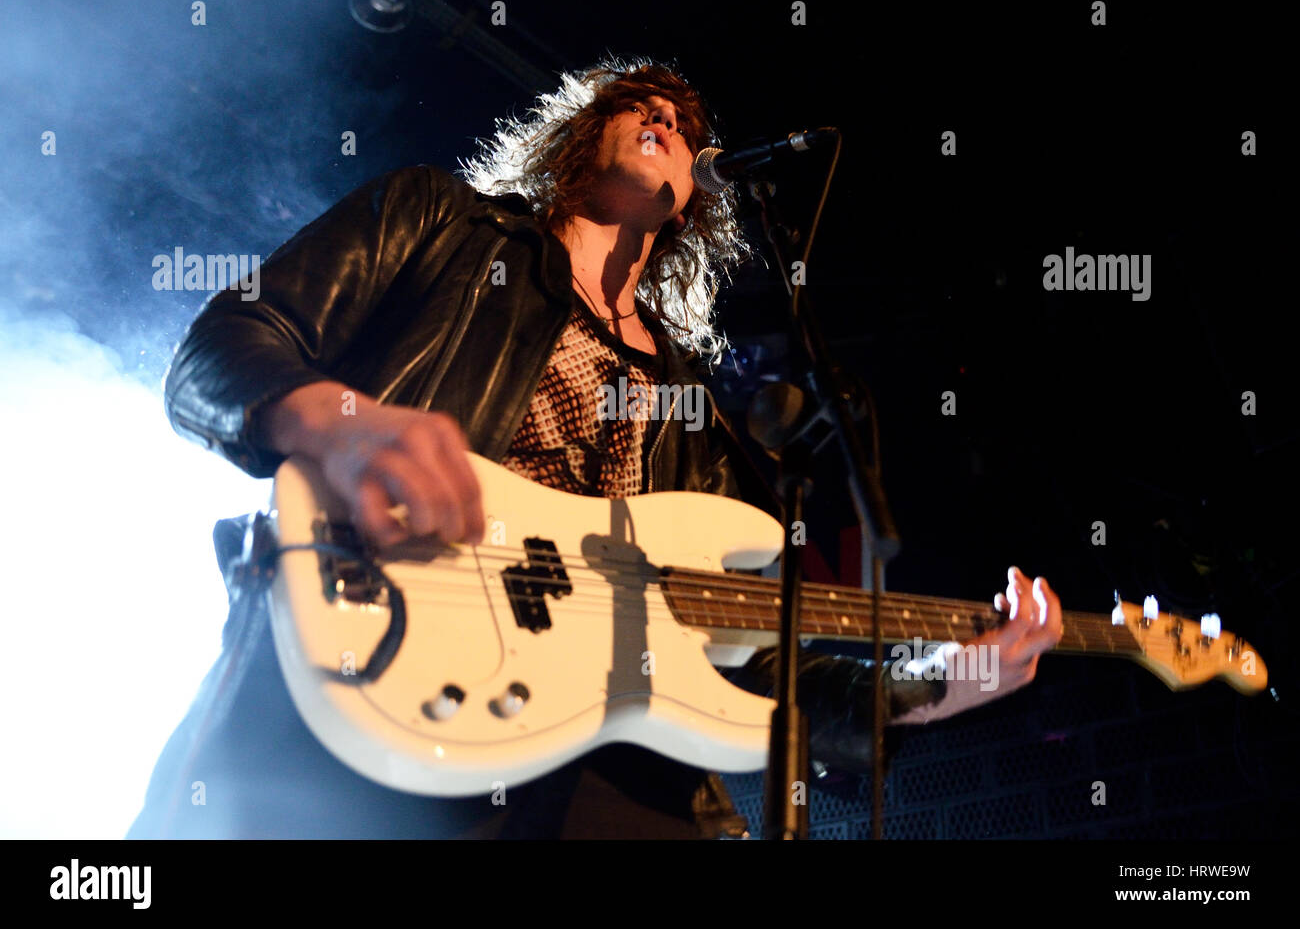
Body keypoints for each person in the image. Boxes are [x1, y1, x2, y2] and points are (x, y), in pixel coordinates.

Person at [127, 57, 1063, 839]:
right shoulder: (439, 224)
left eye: (687, 125)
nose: (665, 113)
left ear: (694, 196)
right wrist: (344, 422)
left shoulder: (700, 413)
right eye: (635, 101)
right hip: (369, 675)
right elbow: (222, 350)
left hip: (609, 774)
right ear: (577, 132)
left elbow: (763, 663)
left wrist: (949, 678)